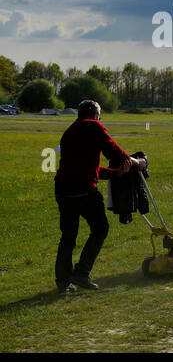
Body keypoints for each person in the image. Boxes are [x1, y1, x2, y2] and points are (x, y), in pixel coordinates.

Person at [53, 100, 141, 293]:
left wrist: (116, 173)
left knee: (68, 236)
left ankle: (63, 281)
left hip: (63, 189)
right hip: (83, 190)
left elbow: (89, 168)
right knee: (100, 228)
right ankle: (82, 272)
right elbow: (114, 151)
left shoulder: (69, 132)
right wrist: (137, 162)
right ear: (95, 114)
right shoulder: (93, 125)